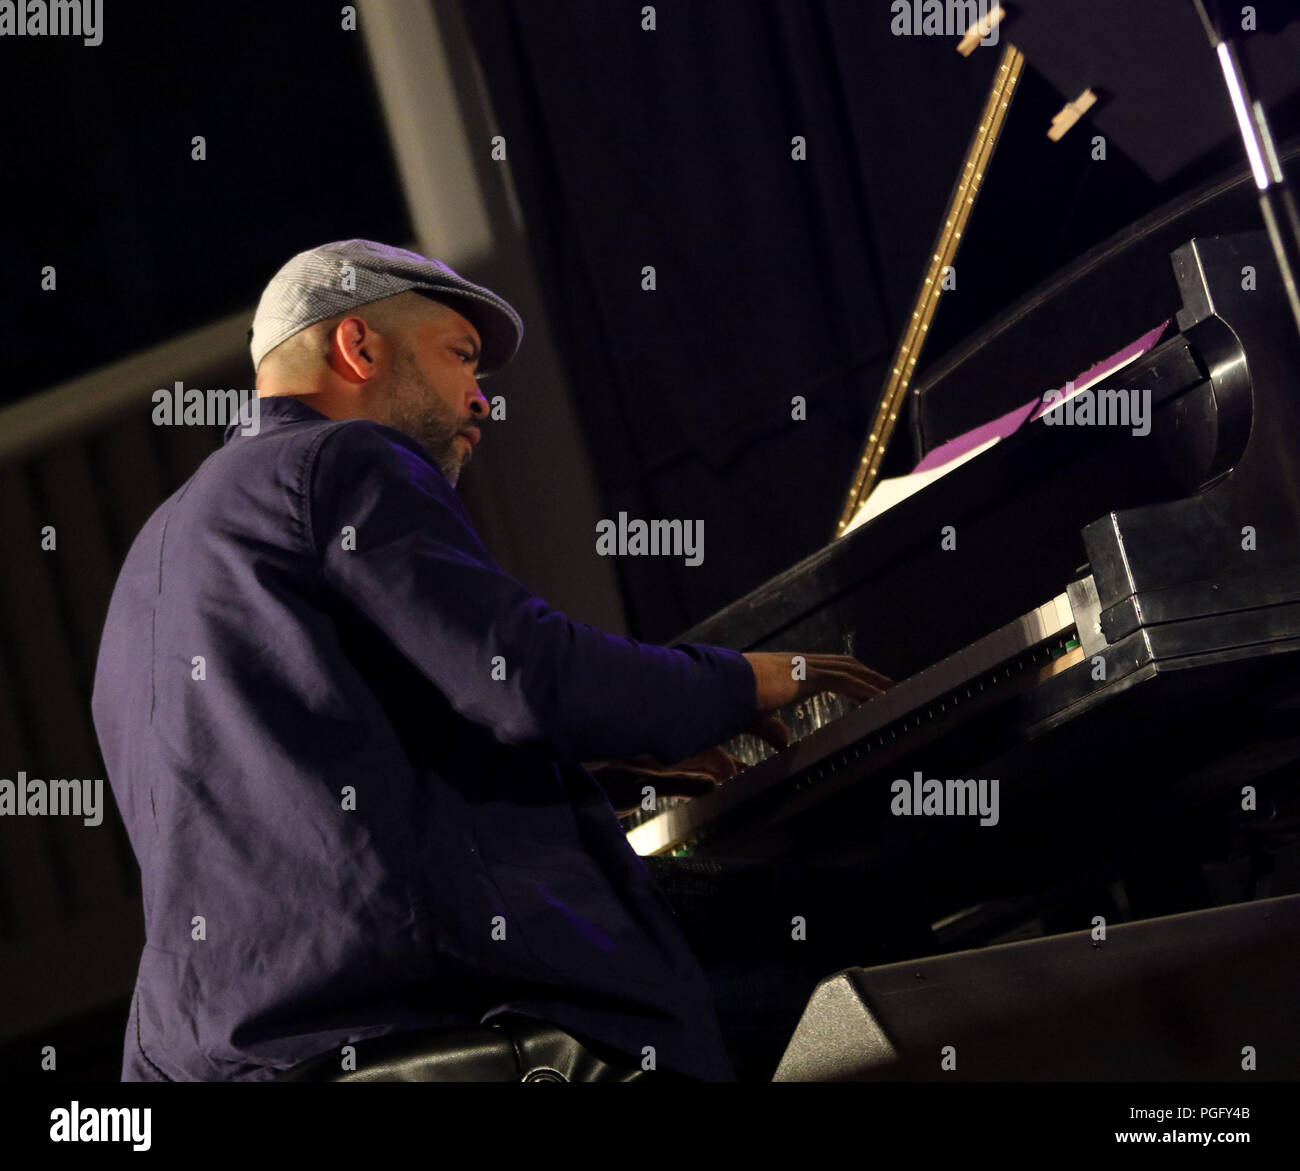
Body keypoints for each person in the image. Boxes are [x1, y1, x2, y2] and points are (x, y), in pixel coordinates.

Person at [91, 239, 889, 1082]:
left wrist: (575, 765)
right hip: (424, 1006)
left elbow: (307, 773)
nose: (478, 399)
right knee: (860, 937)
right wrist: (743, 677)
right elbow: (530, 675)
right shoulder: (342, 460)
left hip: (217, 1052)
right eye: (459, 357)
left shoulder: (156, 551)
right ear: (358, 347)